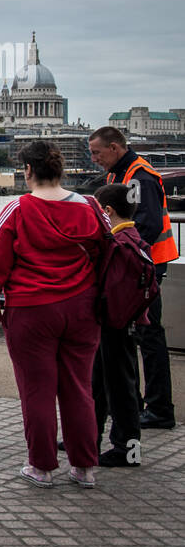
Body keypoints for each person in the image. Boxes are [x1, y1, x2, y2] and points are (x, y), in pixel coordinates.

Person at [0, 140, 104, 489]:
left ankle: (42, 466)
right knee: (79, 387)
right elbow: (105, 252)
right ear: (60, 169)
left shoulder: (17, 210)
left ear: (28, 171)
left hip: (31, 309)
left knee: (37, 389)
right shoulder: (91, 207)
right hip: (82, 307)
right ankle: (84, 467)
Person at [88, 126, 176, 429]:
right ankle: (132, 404)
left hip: (144, 270)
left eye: (97, 153)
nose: (94, 159)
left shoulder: (139, 175)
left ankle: (159, 409)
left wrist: (120, 256)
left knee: (149, 337)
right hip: (137, 267)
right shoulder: (119, 175)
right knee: (133, 338)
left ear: (115, 148)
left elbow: (146, 226)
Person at [90, 182, 150, 467]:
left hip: (113, 322)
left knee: (118, 386)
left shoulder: (117, 244)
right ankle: (90, 434)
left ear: (108, 211)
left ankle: (126, 447)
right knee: (102, 381)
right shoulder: (133, 238)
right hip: (125, 321)